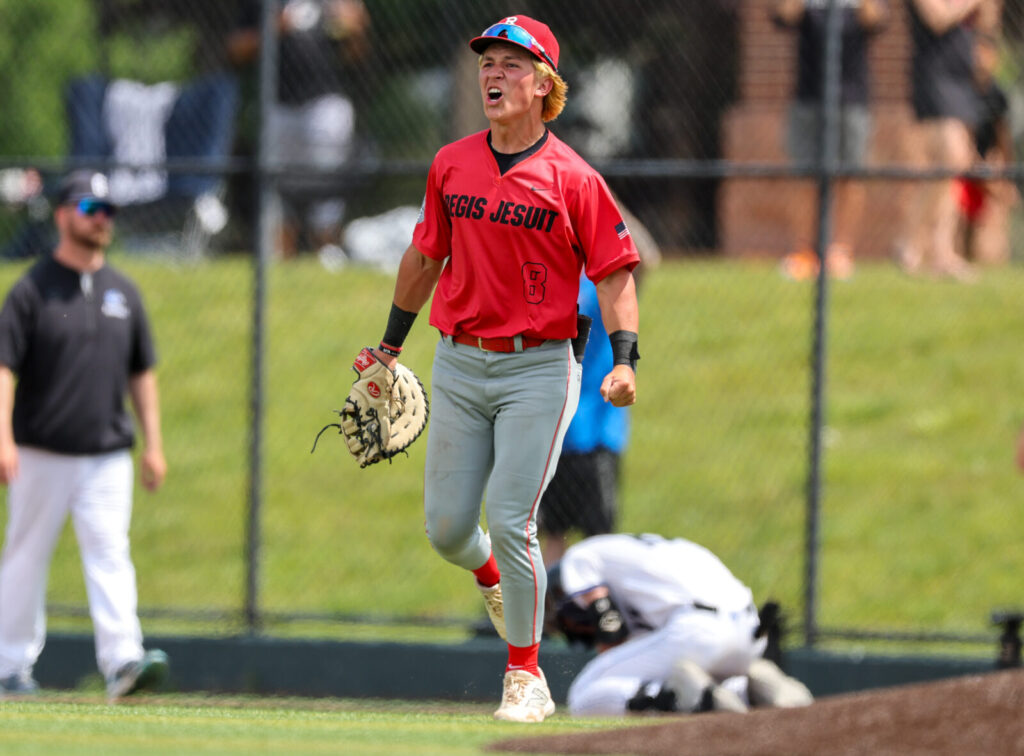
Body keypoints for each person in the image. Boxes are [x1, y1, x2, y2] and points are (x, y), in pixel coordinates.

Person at [358, 15, 640, 723]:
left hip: (540, 370)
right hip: (458, 362)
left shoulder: (573, 177)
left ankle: (525, 676)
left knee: (513, 519)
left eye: (512, 64)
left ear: (545, 84)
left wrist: (626, 357)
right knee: (449, 529)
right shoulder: (452, 163)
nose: (493, 73)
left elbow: (613, 274)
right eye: (487, 61)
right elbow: (424, 258)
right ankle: (491, 579)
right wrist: (389, 350)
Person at [0, 170, 169, 700]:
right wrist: (2, 438)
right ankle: (9, 666)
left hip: (106, 455)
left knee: (109, 552)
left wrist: (154, 445)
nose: (101, 217)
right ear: (63, 214)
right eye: (91, 206)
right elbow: (4, 367)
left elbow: (142, 373)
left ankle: (124, 663)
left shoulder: (124, 291)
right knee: (26, 553)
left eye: (108, 209)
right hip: (39, 450)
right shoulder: (32, 289)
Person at [546, 533, 814, 718]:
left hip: (698, 631)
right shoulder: (640, 553)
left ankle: (679, 698)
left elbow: (610, 628)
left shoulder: (578, 557)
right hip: (750, 631)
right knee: (676, 671)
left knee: (584, 694)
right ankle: (747, 690)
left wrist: (608, 659)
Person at [227, 0, 370, 260]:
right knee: (277, 186)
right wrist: (275, 27)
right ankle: (282, 259)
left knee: (328, 184)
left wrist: (355, 28)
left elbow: (355, 55)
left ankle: (327, 254)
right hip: (278, 105)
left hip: (325, 104)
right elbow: (236, 50)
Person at [772, 0, 889, 282]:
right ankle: (804, 252)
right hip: (808, 97)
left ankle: (840, 252)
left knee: (850, 174)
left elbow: (877, 20)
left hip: (852, 98)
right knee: (804, 175)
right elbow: (782, 16)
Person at [896, 0, 995, 281]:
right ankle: (909, 241)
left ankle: (942, 251)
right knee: (949, 158)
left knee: (958, 164)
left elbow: (984, 24)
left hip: (961, 76)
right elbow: (937, 18)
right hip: (934, 75)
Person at [537, 275, 629, 567]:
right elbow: (647, 260)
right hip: (587, 434)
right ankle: (580, 608)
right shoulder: (606, 282)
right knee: (597, 539)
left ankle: (548, 605)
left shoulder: (550, 279)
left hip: (563, 430)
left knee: (557, 535)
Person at [954, 30, 1018, 265]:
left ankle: (980, 259)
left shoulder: (998, 94)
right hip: (963, 159)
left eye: (987, 53)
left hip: (987, 162)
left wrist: (1004, 173)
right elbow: (963, 133)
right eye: (977, 53)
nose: (982, 59)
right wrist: (974, 163)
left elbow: (1003, 134)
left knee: (987, 216)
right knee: (959, 215)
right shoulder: (961, 88)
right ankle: (957, 256)